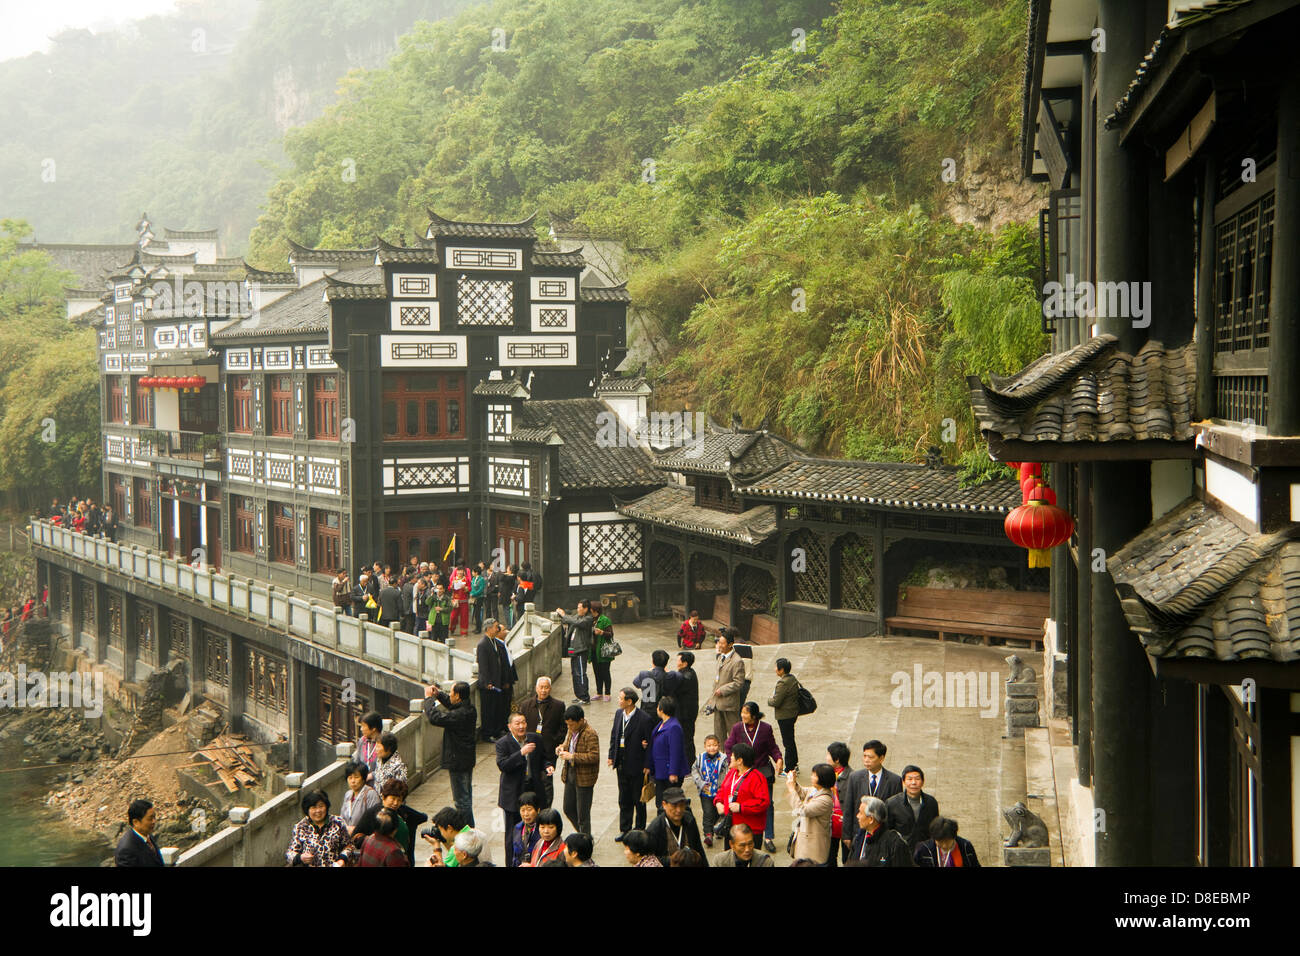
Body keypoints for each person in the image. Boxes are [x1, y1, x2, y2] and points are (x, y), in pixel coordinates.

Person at [723, 702, 783, 853]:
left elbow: (772, 748)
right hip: (742, 771)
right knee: (744, 803)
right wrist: (733, 761)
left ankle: (768, 836)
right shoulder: (737, 728)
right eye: (742, 712)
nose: (742, 715)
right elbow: (729, 746)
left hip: (762, 770)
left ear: (754, 716)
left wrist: (779, 759)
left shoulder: (765, 728)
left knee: (766, 804)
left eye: (746, 713)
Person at [496, 711, 553, 866]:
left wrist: (547, 766)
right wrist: (520, 753)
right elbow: (503, 765)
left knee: (538, 829)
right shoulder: (503, 743)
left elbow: (543, 758)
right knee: (512, 834)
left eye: (523, 723)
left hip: (533, 789)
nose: (521, 726)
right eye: (517, 723)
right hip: (513, 794)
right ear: (510, 726)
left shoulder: (535, 738)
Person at [422, 679, 478, 826]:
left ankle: (468, 830)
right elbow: (452, 704)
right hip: (466, 759)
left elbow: (435, 718)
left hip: (458, 760)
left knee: (462, 800)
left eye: (451, 693)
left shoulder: (460, 715)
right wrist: (439, 695)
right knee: (466, 795)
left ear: (458, 695)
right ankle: (468, 829)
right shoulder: (469, 709)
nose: (450, 695)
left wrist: (428, 699)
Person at [608, 686, 654, 840]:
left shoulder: (644, 719)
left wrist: (648, 765)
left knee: (638, 799)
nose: (619, 701)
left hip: (637, 765)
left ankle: (639, 829)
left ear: (629, 701)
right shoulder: (618, 714)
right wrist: (611, 755)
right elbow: (614, 735)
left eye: (621, 698)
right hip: (621, 764)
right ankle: (625, 829)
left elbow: (650, 744)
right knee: (624, 798)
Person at [841, 739, 902, 853]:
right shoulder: (855, 777)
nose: (866, 760)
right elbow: (848, 807)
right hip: (857, 833)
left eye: (871, 757)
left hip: (881, 834)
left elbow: (896, 811)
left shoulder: (894, 781)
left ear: (881, 758)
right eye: (864, 756)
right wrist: (846, 835)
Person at [714, 741, 770, 849]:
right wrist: (718, 802)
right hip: (731, 828)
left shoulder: (757, 778)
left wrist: (741, 807)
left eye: (733, 755)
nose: (730, 757)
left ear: (740, 761)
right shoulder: (732, 773)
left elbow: (763, 802)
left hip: (749, 831)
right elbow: (722, 790)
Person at [521, 676, 566, 808]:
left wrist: (556, 741)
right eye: (541, 687)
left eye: (546, 687)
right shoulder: (526, 705)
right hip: (530, 750)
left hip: (548, 751)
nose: (544, 690)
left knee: (547, 781)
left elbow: (563, 728)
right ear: (536, 688)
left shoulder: (558, 706)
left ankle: (546, 808)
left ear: (550, 689)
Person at [557, 704, 599, 835]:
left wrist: (572, 756)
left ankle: (585, 840)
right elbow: (568, 743)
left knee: (583, 815)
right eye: (567, 725)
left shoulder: (590, 734)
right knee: (568, 808)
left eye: (572, 725)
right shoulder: (571, 730)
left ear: (581, 721)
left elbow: (594, 756)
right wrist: (562, 747)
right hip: (570, 774)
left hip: (584, 778)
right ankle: (583, 835)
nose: (569, 727)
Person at [644, 786, 709, 866]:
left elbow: (698, 848)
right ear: (664, 805)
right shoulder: (655, 828)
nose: (679, 810)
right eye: (674, 806)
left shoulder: (689, 820)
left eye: (682, 805)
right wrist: (673, 860)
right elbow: (649, 859)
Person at [286, 789, 351, 866]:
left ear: (326, 807)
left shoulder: (338, 823)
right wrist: (300, 857)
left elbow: (349, 846)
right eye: (313, 807)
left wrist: (342, 859)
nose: (318, 811)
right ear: (307, 809)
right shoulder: (300, 827)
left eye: (321, 806)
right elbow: (290, 854)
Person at [476, 618, 516, 741]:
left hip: (497, 683)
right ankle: (487, 734)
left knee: (496, 709)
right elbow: (483, 666)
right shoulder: (483, 644)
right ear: (488, 629)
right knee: (488, 710)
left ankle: (496, 731)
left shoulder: (494, 642)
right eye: (495, 626)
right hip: (488, 685)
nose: (497, 629)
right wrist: (488, 682)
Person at [785, 764, 834, 866]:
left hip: (814, 848)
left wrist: (791, 790)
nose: (811, 777)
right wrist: (794, 782)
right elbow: (802, 792)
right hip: (805, 844)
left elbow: (802, 810)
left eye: (814, 775)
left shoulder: (825, 800)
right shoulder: (815, 790)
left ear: (822, 779)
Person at [885, 765, 940, 851]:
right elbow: (887, 831)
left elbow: (936, 828)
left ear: (922, 782)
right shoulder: (892, 803)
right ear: (903, 782)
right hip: (901, 852)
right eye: (909, 779)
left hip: (925, 851)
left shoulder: (931, 802)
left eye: (917, 779)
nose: (913, 783)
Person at [647, 696, 688, 810]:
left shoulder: (674, 727)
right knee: (660, 802)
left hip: (668, 772)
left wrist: (673, 772)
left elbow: (675, 751)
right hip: (660, 771)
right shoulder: (662, 724)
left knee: (668, 803)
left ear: (662, 709)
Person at [849, 796, 913, 866]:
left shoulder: (894, 843)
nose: (857, 816)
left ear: (871, 819)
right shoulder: (859, 839)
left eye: (860, 813)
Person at [691, 733, 728, 848]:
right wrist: (701, 783)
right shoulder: (700, 758)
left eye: (714, 745)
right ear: (704, 746)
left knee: (719, 813)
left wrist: (722, 787)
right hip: (705, 792)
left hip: (719, 792)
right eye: (709, 745)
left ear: (719, 745)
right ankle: (708, 834)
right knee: (707, 813)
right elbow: (694, 771)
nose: (712, 748)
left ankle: (718, 828)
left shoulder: (723, 759)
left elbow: (726, 773)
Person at [379, 778, 426, 867]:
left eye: (399, 800)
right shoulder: (374, 813)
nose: (395, 803)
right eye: (392, 799)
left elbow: (422, 817)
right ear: (383, 797)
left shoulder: (403, 812)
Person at [664, 650, 700, 766]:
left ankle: (690, 764)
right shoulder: (686, 673)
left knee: (686, 739)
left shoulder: (687, 676)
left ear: (684, 663)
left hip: (686, 714)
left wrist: (665, 673)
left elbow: (675, 684)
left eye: (678, 660)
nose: (676, 662)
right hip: (684, 712)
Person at [554, 600, 594, 704]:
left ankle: (585, 697)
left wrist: (564, 615)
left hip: (581, 649)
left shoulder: (588, 619)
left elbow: (576, 622)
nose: (578, 609)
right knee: (574, 673)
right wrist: (561, 616)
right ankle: (579, 695)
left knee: (580, 673)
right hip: (573, 649)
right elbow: (570, 620)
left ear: (585, 609)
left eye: (579, 608)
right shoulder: (577, 616)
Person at [710, 631, 746, 740]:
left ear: (730, 644)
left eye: (722, 643)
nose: (719, 645)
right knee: (719, 735)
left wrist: (723, 690)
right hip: (717, 702)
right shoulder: (721, 657)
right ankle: (721, 755)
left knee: (733, 735)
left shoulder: (737, 661)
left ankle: (735, 755)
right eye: (719, 643)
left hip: (729, 704)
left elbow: (738, 682)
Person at [767, 658, 801, 773]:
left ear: (781, 670)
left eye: (776, 667)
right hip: (792, 713)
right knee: (790, 739)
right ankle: (794, 763)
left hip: (785, 716)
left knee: (787, 742)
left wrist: (769, 700)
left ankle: (789, 767)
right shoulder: (792, 679)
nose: (775, 669)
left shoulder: (782, 683)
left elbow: (776, 701)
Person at [914, 816, 981, 868]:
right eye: (940, 842)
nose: (944, 845)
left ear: (954, 837)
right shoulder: (923, 849)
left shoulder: (965, 846)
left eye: (948, 842)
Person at [114, 799, 163, 867]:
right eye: (150, 819)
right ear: (135, 822)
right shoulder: (126, 850)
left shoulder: (147, 836)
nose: (154, 821)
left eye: (154, 817)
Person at [826, 742, 852, 866]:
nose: (826, 757)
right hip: (831, 824)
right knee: (830, 857)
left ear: (836, 760)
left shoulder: (853, 777)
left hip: (845, 825)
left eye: (828, 755)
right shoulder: (827, 773)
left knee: (847, 858)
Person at [340, 761, 379, 833]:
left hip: (363, 837)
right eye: (350, 778)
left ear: (363, 778)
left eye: (356, 777)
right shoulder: (348, 794)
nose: (353, 781)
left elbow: (374, 820)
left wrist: (356, 829)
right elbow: (342, 818)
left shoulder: (370, 794)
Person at [589, 600, 615, 701]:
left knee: (605, 673)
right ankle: (599, 692)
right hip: (594, 651)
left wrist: (602, 632)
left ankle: (607, 693)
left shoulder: (605, 620)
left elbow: (611, 634)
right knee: (597, 673)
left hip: (604, 652)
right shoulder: (591, 620)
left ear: (594, 610)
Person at [508, 792, 542, 866]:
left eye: (529, 809)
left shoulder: (542, 829)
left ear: (538, 810)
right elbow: (514, 855)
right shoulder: (517, 828)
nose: (526, 814)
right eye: (523, 810)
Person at [633, 649, 670, 717]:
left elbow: (636, 683)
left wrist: (650, 670)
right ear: (666, 663)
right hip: (663, 711)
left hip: (646, 710)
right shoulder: (669, 676)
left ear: (653, 661)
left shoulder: (644, 674)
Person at [352, 713, 383, 784]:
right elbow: (357, 761)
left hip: (379, 784)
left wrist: (371, 775)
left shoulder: (383, 742)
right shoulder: (362, 741)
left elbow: (387, 767)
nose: (361, 729)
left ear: (373, 729)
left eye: (363, 726)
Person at [469, 567, 486, 633]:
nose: (472, 573)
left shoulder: (481, 579)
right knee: (475, 613)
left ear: (476, 572)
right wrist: (471, 593)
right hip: (473, 597)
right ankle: (476, 627)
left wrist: (474, 594)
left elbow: (481, 589)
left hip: (479, 597)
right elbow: (472, 587)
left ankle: (479, 628)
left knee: (478, 613)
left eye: (473, 572)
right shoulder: (473, 578)